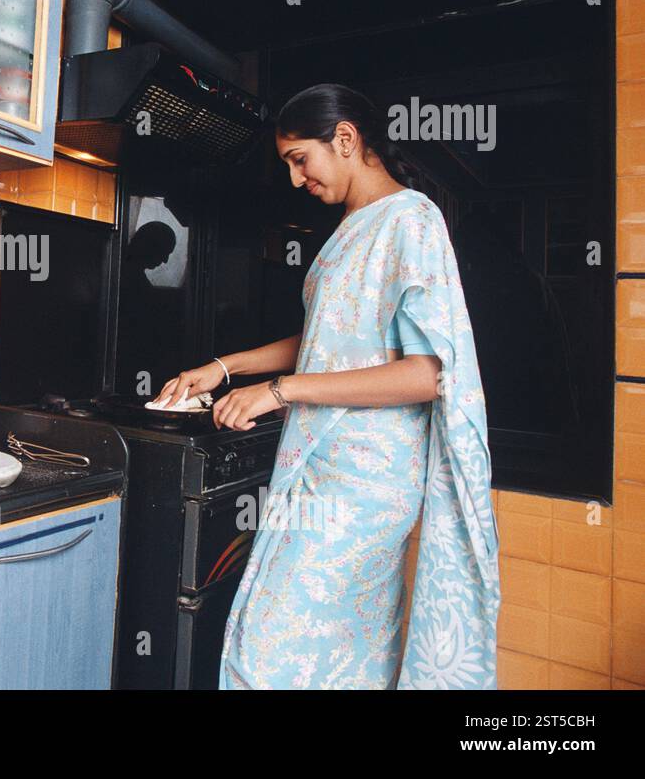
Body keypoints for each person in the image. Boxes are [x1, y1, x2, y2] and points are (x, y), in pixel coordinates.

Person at [154, 83, 500, 689]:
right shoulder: (350, 229)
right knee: (344, 652)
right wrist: (226, 367)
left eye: (298, 160)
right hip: (324, 467)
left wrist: (281, 392)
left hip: (366, 483)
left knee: (268, 650)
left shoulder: (411, 220)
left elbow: (427, 374)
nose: (295, 180)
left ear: (345, 139)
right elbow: (325, 339)